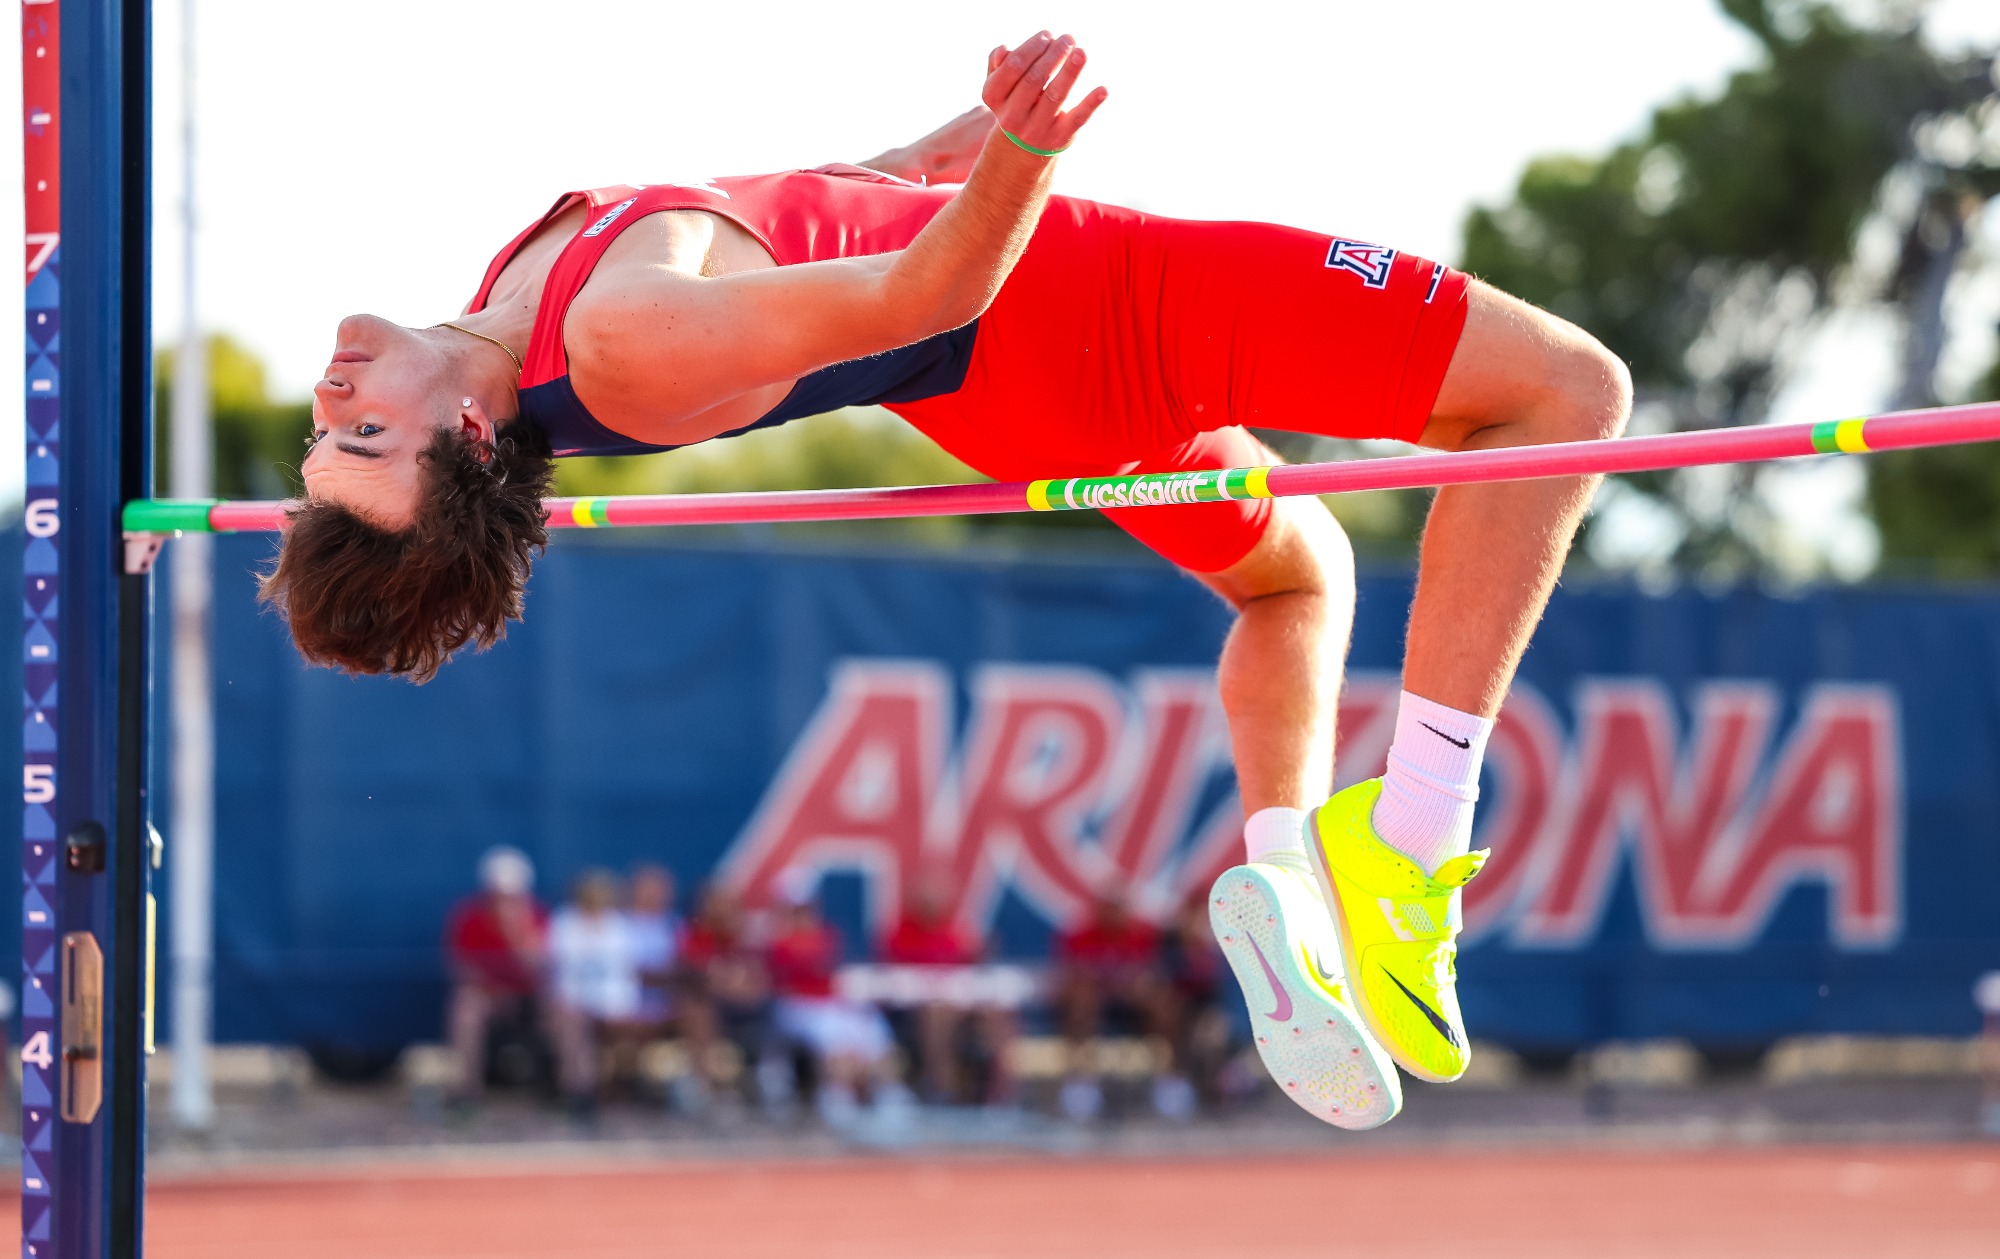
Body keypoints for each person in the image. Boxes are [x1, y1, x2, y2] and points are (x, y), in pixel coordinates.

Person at [270, 30, 1632, 1131]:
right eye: (365, 433)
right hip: (1086, 306)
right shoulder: (621, 343)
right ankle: (1406, 851)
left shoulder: (516, 290)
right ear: (458, 436)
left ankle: (1284, 866)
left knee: (1297, 574)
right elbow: (924, 294)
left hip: (1025, 384)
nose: (333, 397)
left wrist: (926, 154)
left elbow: (797, 225)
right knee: (1565, 390)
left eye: (329, 437)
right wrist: (1026, 152)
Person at [765, 872, 910, 1128]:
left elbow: (835, 967)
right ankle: (838, 1097)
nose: (803, 914)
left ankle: (888, 1093)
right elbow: (794, 967)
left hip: (834, 1002)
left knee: (872, 1029)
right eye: (796, 909)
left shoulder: (828, 934)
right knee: (832, 1033)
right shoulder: (773, 937)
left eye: (807, 908)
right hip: (795, 1006)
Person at [880, 874, 1017, 1106]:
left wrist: (980, 955)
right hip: (917, 1007)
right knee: (939, 1011)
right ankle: (942, 1085)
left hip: (961, 1000)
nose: (932, 906)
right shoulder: (901, 934)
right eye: (926, 901)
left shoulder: (959, 932)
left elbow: (974, 968)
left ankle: (1004, 1089)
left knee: (997, 1011)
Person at [1051, 888, 1183, 1122]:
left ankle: (1169, 1079)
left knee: (1165, 1006)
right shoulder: (1079, 936)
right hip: (1097, 1001)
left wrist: (1137, 985)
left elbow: (1154, 973)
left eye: (1118, 908)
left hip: (1133, 1004)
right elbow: (1068, 978)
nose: (1113, 915)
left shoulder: (1143, 935)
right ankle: (1081, 1081)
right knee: (1080, 1006)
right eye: (1108, 908)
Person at [442, 845, 548, 1106]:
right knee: (465, 1012)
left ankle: (569, 1091)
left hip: (532, 997)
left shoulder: (538, 915)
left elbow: (540, 967)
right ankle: (467, 1092)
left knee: (566, 1014)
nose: (505, 900)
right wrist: (489, 986)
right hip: (489, 996)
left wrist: (517, 932)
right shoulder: (470, 916)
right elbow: (460, 964)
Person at [544, 869, 646, 1117]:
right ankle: (580, 1093)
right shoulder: (563, 923)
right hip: (573, 1001)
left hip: (612, 1002)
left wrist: (619, 1006)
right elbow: (560, 974)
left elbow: (625, 975)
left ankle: (620, 1090)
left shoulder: (619, 925)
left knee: (625, 1027)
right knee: (573, 1025)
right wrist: (574, 1002)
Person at [675, 882, 779, 1114]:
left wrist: (739, 984)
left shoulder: (749, 938)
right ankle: (702, 1086)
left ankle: (771, 1079)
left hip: (752, 1008)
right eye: (716, 906)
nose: (723, 912)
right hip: (716, 1007)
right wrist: (728, 983)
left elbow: (760, 980)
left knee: (778, 1008)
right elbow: (701, 977)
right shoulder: (696, 937)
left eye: (728, 906)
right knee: (696, 1009)